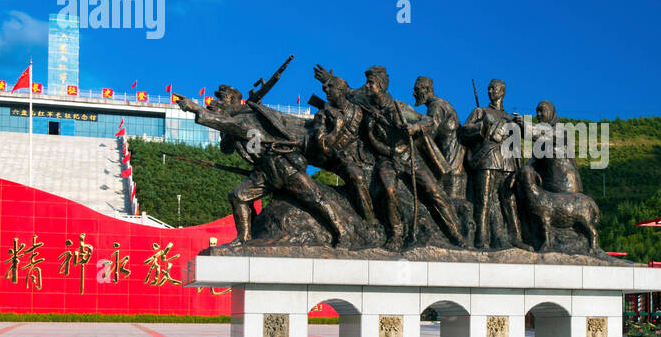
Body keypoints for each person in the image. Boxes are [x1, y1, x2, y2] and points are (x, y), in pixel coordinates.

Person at [177, 84, 349, 246]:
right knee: (237, 196)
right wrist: (220, 121)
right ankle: (244, 238)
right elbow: (226, 148)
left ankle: (342, 233)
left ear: (232, 101)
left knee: (315, 199)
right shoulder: (234, 122)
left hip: (281, 166)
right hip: (263, 173)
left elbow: (229, 125)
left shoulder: (245, 118)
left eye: (222, 99)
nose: (217, 102)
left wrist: (195, 108)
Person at [354, 65, 465, 249]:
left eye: (370, 83)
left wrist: (415, 128)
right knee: (389, 190)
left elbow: (428, 121)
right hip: (387, 159)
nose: (366, 86)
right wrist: (327, 80)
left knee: (435, 192)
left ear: (381, 86)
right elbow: (347, 92)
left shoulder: (399, 108)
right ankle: (396, 234)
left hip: (408, 156)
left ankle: (456, 235)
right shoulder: (365, 105)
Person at [307, 66, 377, 224]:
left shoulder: (357, 109)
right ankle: (371, 221)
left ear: (340, 91)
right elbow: (323, 145)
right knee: (357, 176)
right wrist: (336, 130)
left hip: (365, 153)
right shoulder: (322, 115)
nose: (326, 91)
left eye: (330, 88)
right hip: (340, 157)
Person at [460, 78, 523, 248]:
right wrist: (481, 126)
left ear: (502, 91)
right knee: (484, 201)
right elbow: (464, 132)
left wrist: (519, 169)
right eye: (488, 89)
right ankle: (482, 239)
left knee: (509, 203)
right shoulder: (480, 112)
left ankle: (513, 238)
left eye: (493, 88)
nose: (490, 91)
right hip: (487, 160)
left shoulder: (510, 118)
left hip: (507, 164)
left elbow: (516, 147)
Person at [411, 76, 467, 201]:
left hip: (450, 170)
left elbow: (429, 129)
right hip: (451, 168)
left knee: (450, 206)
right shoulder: (439, 104)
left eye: (417, 90)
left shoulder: (437, 106)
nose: (414, 94)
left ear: (426, 89)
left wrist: (414, 128)